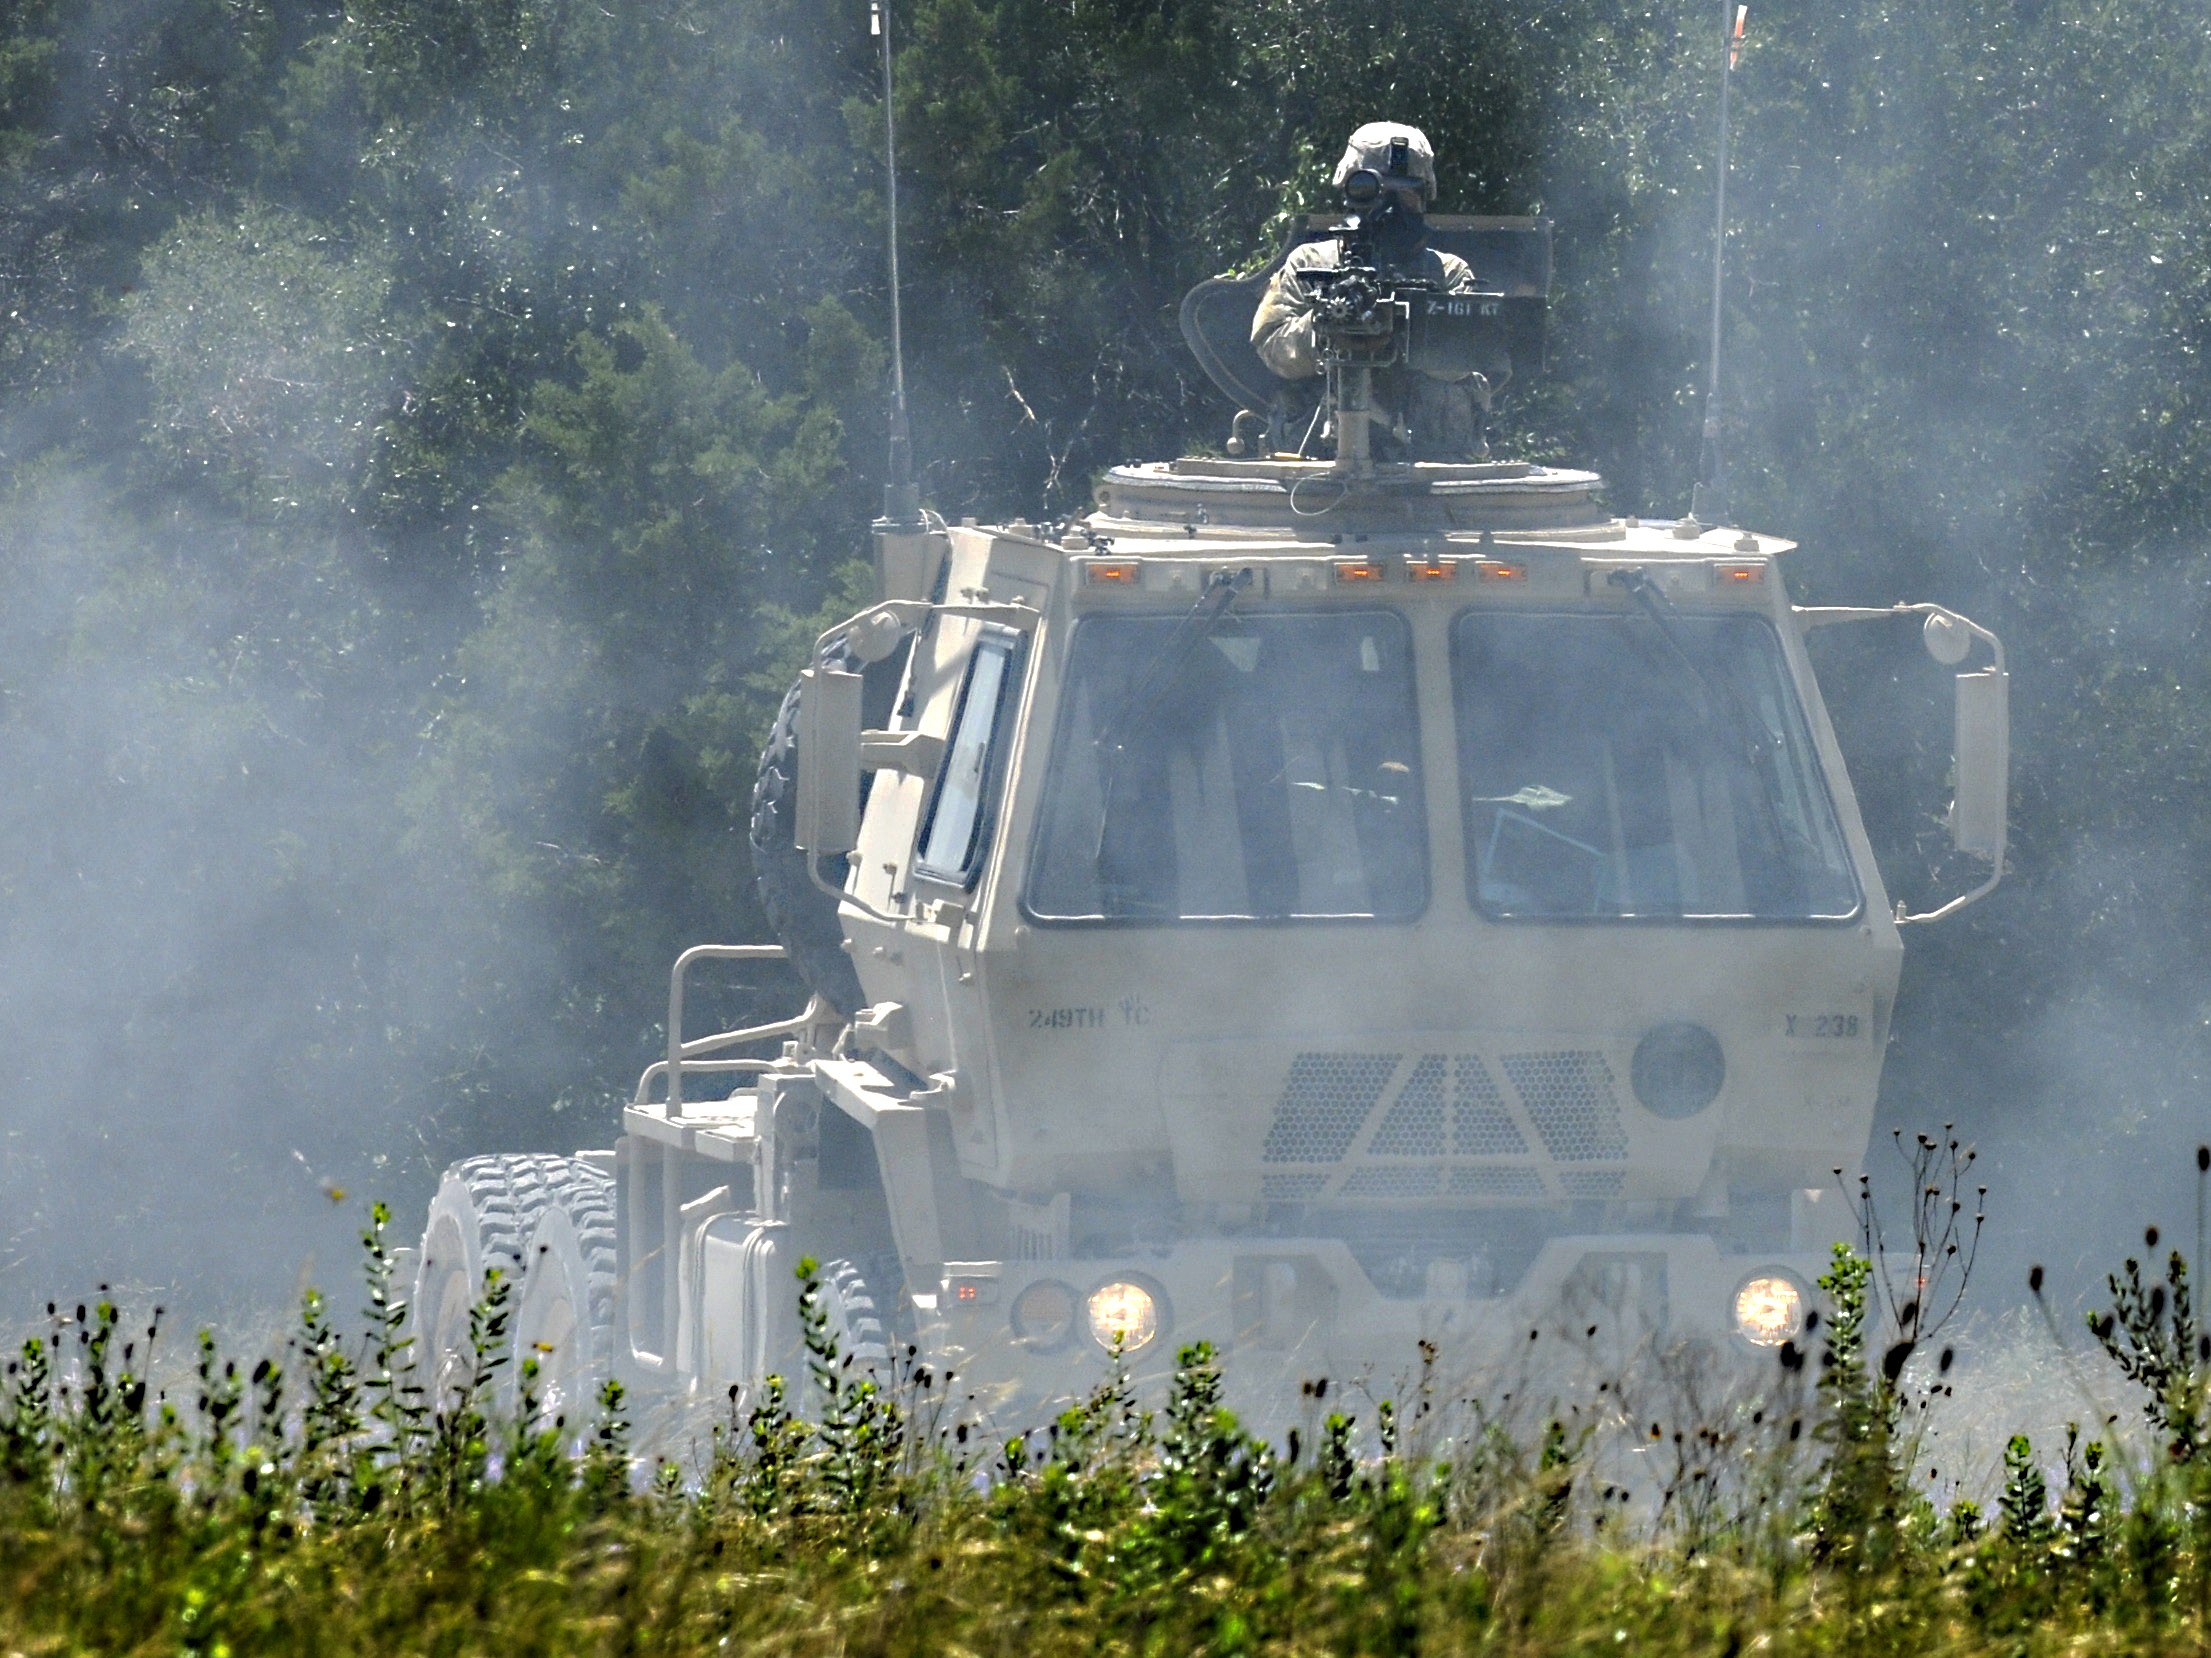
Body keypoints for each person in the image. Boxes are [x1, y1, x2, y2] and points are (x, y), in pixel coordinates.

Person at [1251, 122, 1483, 459]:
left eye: (1404, 196)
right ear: (1351, 192)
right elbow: (1271, 346)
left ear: (1422, 198)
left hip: (1429, 461)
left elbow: (1469, 356)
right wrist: (1325, 327)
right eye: (1375, 192)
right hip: (1319, 459)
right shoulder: (1309, 263)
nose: (1390, 210)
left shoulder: (1448, 273)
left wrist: (1402, 327)